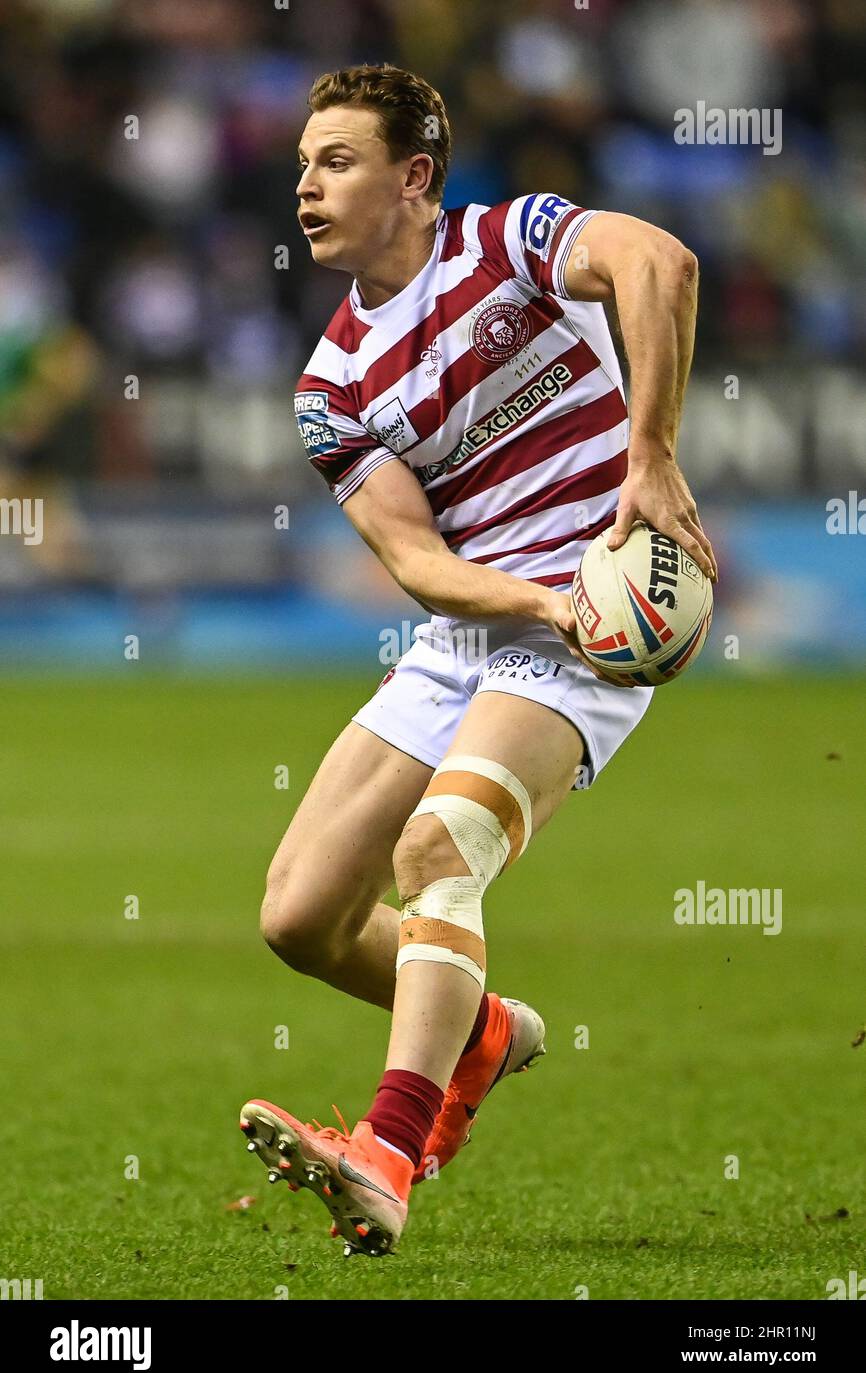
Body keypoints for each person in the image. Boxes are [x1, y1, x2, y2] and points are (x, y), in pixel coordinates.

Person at [239, 63, 717, 1257]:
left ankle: (387, 1153)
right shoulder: (330, 381)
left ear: (413, 180)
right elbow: (411, 558)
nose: (305, 184)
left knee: (435, 848)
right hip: (491, 624)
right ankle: (483, 1031)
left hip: (596, 626)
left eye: (334, 161)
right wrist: (533, 599)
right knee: (299, 916)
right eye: (301, 162)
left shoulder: (510, 239)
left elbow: (660, 262)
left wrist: (648, 456)